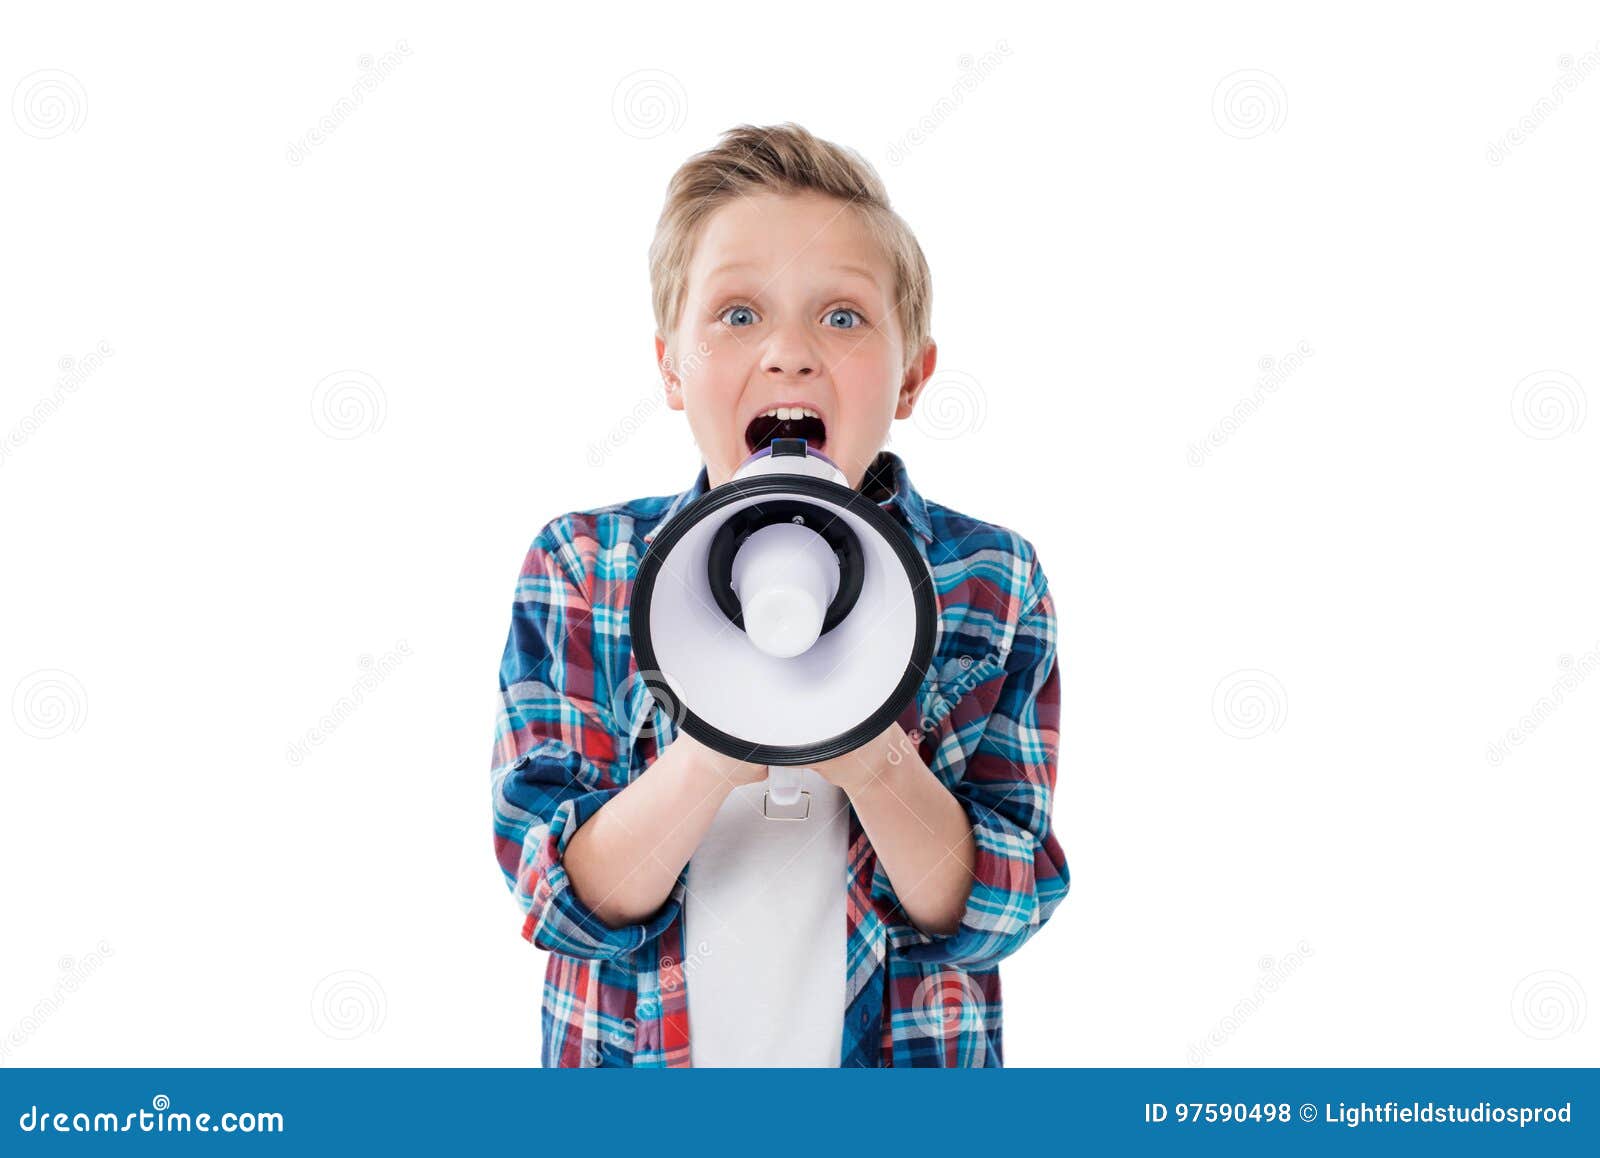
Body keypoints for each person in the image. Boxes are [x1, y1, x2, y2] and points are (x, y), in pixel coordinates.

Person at [491, 122, 1068, 1067]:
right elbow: (560, 897)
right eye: (737, 314)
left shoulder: (992, 581)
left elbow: (998, 909)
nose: (789, 353)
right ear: (671, 368)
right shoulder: (584, 567)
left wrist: (875, 762)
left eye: (842, 318)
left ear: (912, 376)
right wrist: (712, 751)